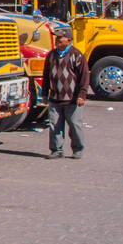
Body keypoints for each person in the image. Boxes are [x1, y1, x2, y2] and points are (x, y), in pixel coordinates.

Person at [41, 25, 88, 159]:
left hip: (72, 99)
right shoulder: (51, 55)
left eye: (60, 38)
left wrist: (82, 95)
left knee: (75, 125)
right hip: (55, 97)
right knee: (54, 125)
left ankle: (77, 149)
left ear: (69, 40)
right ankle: (57, 150)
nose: (57, 41)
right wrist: (44, 94)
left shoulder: (77, 55)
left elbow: (84, 77)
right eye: (56, 38)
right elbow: (46, 75)